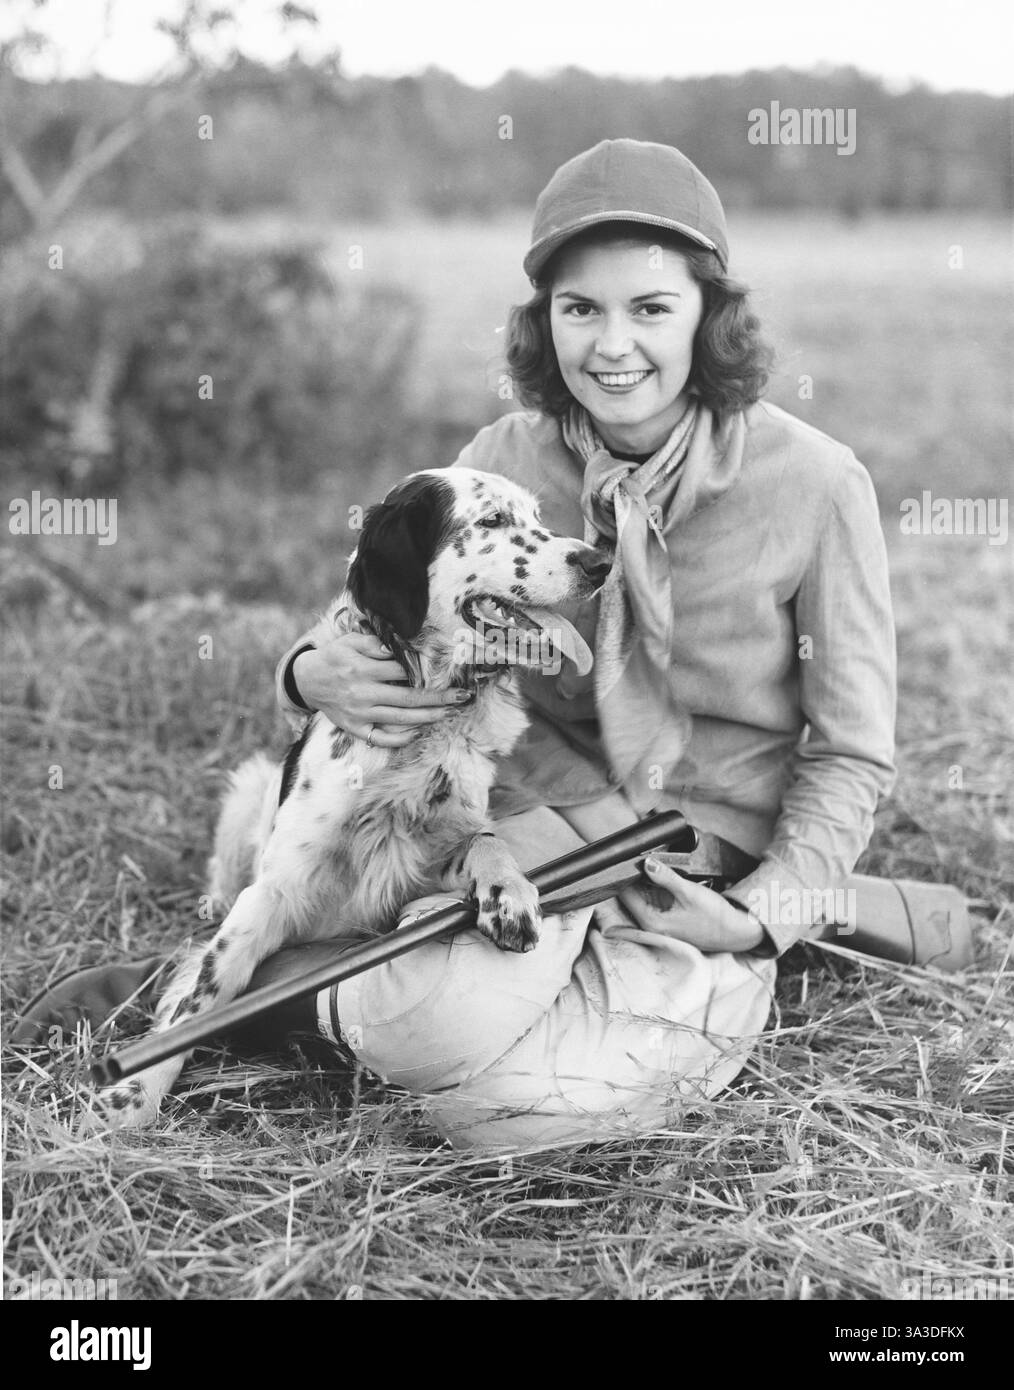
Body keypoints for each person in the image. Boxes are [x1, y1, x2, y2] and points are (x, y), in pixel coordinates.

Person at [14, 140, 970, 1148]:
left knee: (514, 1114)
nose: (612, 346)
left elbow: (851, 752)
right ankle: (258, 974)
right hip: (518, 834)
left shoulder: (819, 486)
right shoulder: (504, 461)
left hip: (693, 863)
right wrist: (304, 670)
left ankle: (301, 998)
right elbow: (381, 597)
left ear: (709, 314)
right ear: (543, 318)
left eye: (651, 308)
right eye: (579, 309)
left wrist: (763, 912)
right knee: (433, 1028)